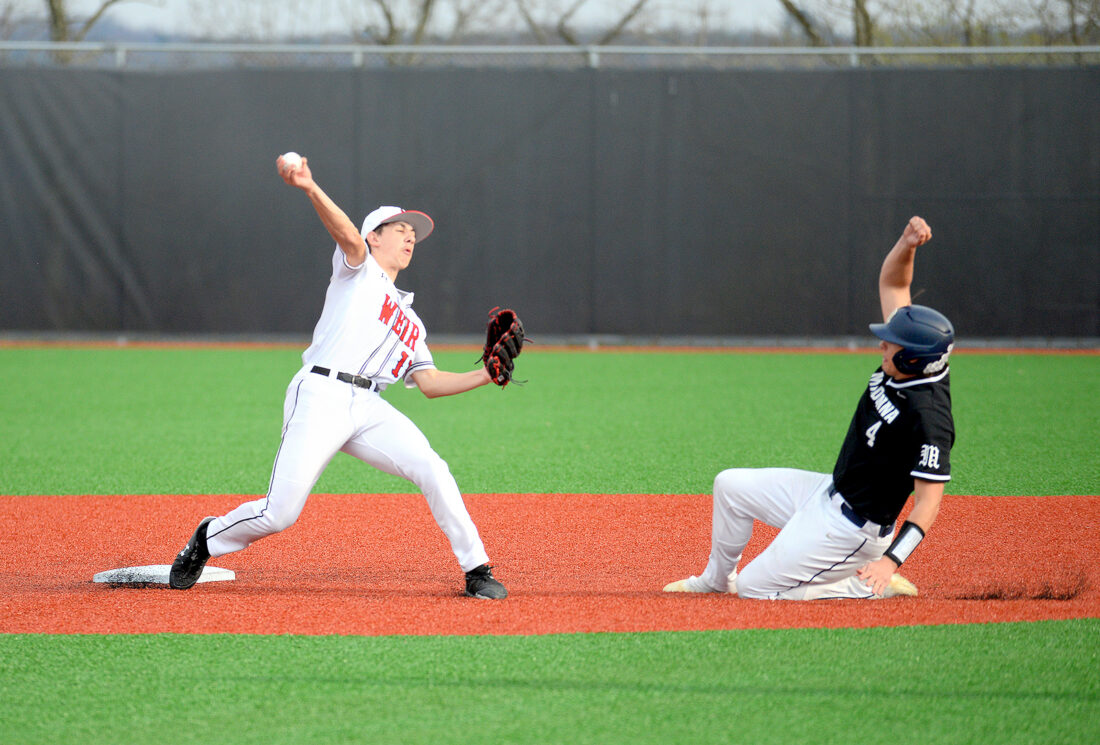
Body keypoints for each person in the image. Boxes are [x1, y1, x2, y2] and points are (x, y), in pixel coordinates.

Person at [169, 153, 507, 599]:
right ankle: (208, 537)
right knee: (279, 514)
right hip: (322, 393)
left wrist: (484, 375)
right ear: (374, 237)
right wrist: (310, 187)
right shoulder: (358, 270)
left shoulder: (412, 322)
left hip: (368, 407)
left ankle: (475, 568)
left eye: (414, 236)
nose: (409, 240)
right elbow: (347, 234)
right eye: (400, 231)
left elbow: (429, 384)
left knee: (432, 467)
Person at [664, 216, 954, 600]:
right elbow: (894, 283)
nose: (882, 346)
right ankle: (715, 580)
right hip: (826, 492)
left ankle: (861, 584)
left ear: (915, 360)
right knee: (729, 485)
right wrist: (906, 244)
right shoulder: (910, 358)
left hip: (854, 531)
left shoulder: (929, 418)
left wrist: (890, 562)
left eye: (891, 345)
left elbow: (927, 505)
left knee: (754, 588)